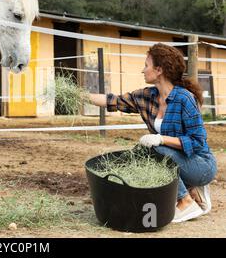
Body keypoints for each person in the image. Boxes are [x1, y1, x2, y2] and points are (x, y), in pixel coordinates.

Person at [89, 43, 217, 223]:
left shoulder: (185, 99)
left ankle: (186, 201)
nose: (143, 70)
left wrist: (161, 139)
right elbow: (114, 101)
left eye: (146, 65)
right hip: (177, 159)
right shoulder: (148, 96)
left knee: (156, 150)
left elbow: (197, 142)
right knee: (141, 152)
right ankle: (190, 189)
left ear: (159, 70)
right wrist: (79, 95)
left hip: (200, 164)